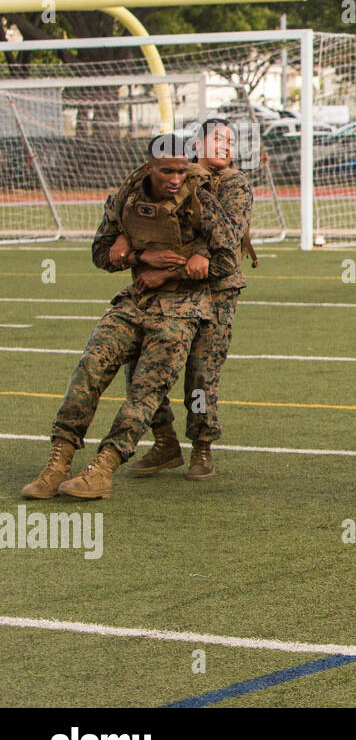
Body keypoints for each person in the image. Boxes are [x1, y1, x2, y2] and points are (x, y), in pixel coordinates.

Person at [21, 134, 224, 500]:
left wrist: (177, 270)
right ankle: (58, 462)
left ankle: (103, 468)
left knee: (145, 389)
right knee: (89, 368)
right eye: (166, 172)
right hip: (136, 301)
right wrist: (137, 258)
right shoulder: (126, 198)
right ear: (149, 167)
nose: (175, 179)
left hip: (182, 309)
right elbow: (100, 253)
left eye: (182, 170)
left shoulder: (202, 199)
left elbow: (226, 261)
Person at [125, 118, 256, 480]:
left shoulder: (234, 184)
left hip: (216, 290)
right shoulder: (177, 178)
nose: (227, 146)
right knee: (142, 367)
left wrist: (167, 269)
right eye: (218, 139)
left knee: (201, 373)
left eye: (232, 140)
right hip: (172, 294)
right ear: (195, 144)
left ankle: (202, 445)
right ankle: (165, 442)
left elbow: (223, 244)